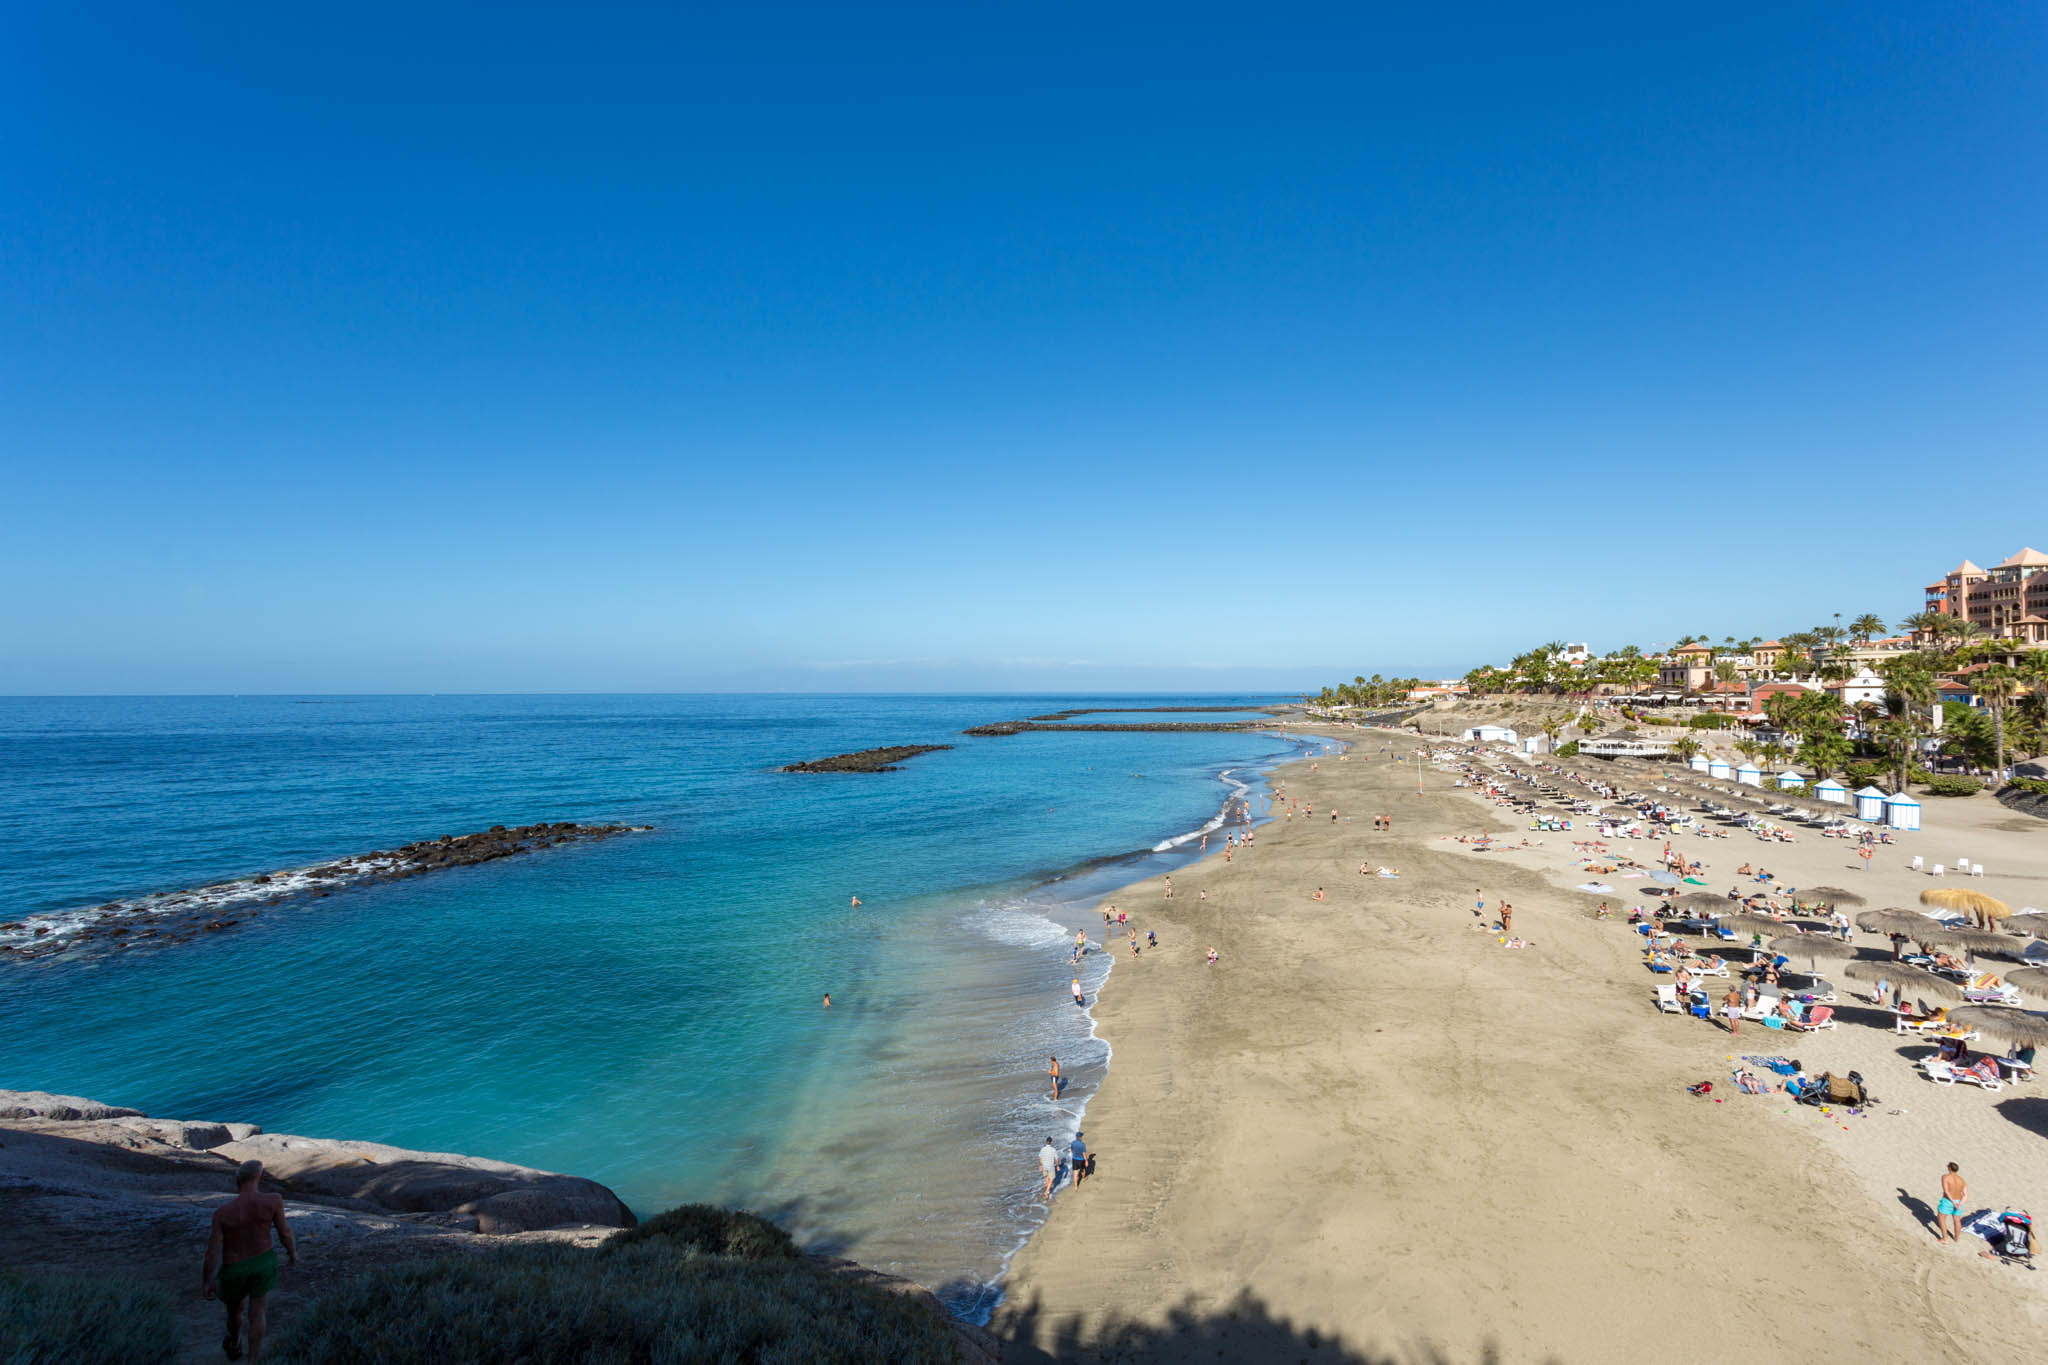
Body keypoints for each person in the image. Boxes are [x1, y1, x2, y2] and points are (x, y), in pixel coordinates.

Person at [203, 1159, 297, 1363]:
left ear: (238, 1180)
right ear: (259, 1177)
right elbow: (285, 1232)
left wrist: (207, 1280)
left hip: (233, 1268)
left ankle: (235, 1342)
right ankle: (253, 1360)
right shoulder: (273, 1200)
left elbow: (212, 1251)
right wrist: (292, 1253)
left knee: (234, 1311)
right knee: (258, 1311)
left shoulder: (222, 1213)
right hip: (263, 1262)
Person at [1938, 1162, 1967, 1243]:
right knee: (1957, 1220)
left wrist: (1953, 1203)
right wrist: (1959, 1204)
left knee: (1941, 1218)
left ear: (1950, 1168)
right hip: (1959, 1201)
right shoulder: (1962, 1180)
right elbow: (1965, 1195)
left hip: (1948, 1201)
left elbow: (1946, 1191)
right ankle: (1956, 1238)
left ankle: (1945, 1238)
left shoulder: (1945, 1177)